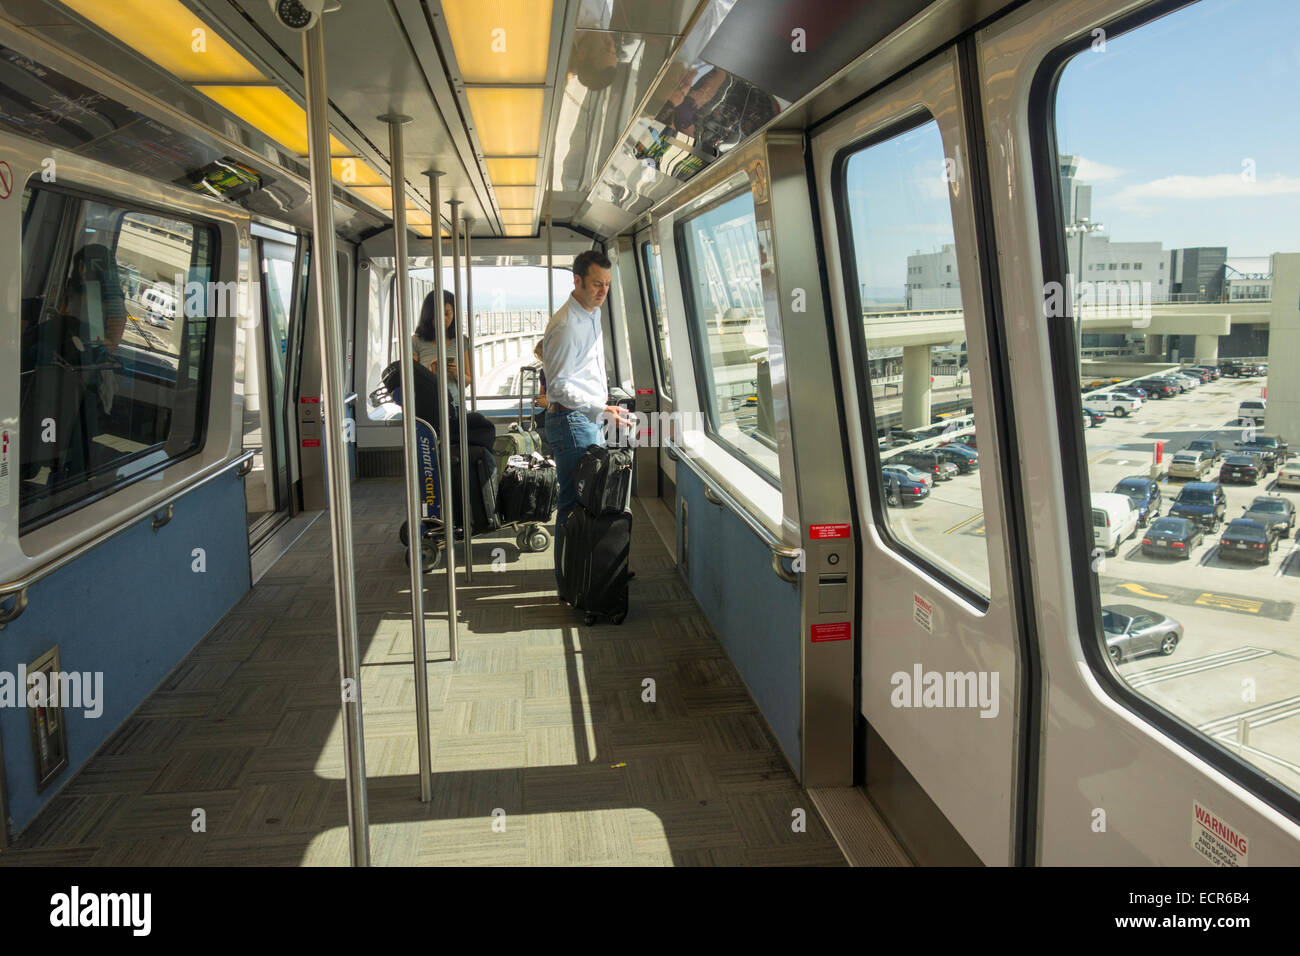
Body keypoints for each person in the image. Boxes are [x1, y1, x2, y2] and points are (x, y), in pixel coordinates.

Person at [542, 249, 635, 538]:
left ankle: (590, 572)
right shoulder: (567, 325)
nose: (603, 291)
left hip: (585, 419)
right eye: (597, 284)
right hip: (572, 422)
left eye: (607, 284)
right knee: (573, 506)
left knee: (591, 499)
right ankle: (569, 580)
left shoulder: (591, 313)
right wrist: (601, 410)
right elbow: (557, 386)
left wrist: (602, 408)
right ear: (577, 281)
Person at [413, 289, 472, 391]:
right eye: (439, 314)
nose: (444, 318)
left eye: (448, 313)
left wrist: (457, 373)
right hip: (427, 402)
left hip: (455, 403)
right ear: (429, 314)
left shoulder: (461, 341)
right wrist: (430, 372)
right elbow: (411, 380)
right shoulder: (416, 341)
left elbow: (468, 382)